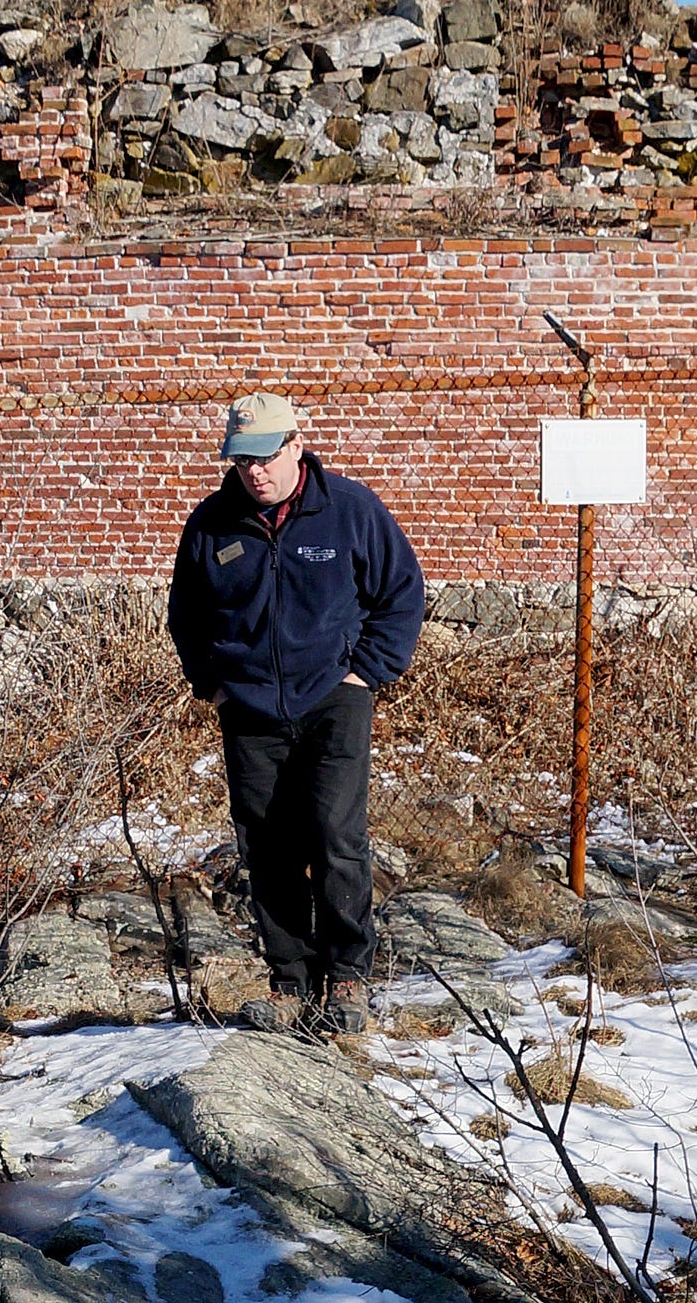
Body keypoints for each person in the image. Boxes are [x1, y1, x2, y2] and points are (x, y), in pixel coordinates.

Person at [167, 392, 424, 1034]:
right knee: (267, 843)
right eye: (240, 460)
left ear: (294, 446)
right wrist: (215, 684)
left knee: (336, 832)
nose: (253, 471)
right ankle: (290, 979)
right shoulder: (211, 525)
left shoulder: (349, 511)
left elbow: (401, 593)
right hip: (250, 706)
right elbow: (186, 617)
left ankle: (346, 977)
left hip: (334, 696)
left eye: (264, 457)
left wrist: (366, 671)